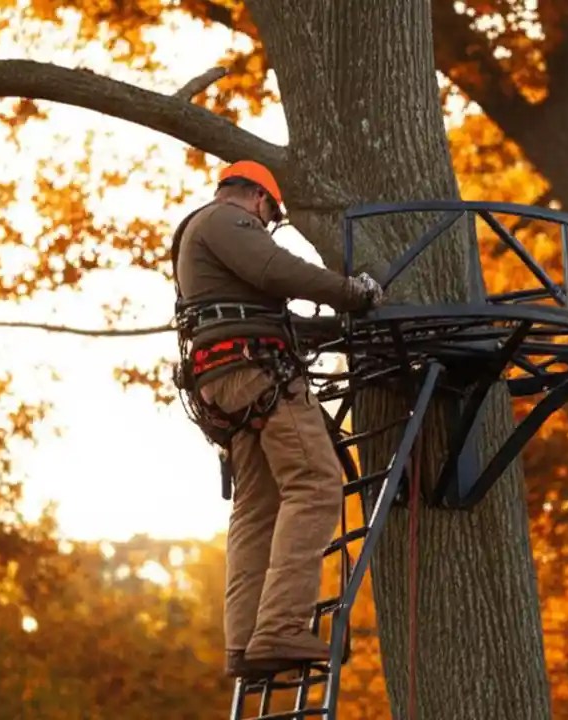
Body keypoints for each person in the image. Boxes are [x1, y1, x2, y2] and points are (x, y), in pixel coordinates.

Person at [170, 160, 383, 678]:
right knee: (314, 481)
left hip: (227, 382)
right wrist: (354, 292)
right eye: (269, 215)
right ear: (259, 199)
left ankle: (244, 643)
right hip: (257, 373)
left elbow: (254, 302)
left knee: (258, 508)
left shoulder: (198, 240)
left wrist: (328, 327)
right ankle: (282, 627)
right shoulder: (226, 221)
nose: (267, 224)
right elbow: (276, 270)